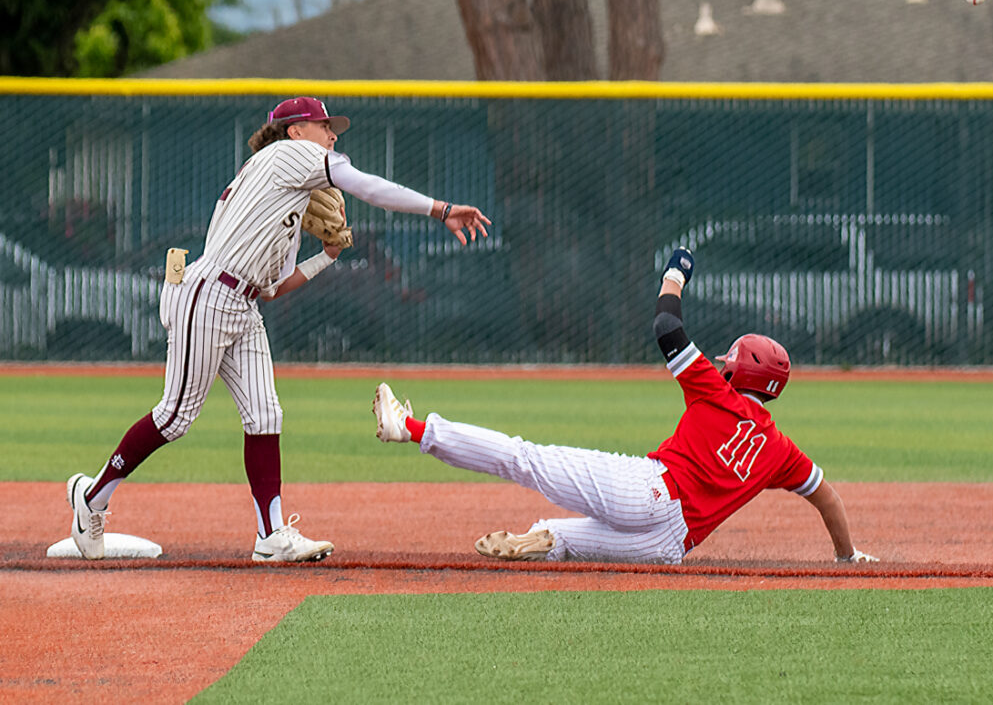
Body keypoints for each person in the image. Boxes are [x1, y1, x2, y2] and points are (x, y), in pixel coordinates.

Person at [67, 96, 491, 562]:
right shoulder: (287, 154)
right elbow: (366, 185)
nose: (332, 137)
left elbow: (271, 289)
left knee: (266, 417)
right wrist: (441, 208)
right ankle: (91, 500)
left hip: (242, 305)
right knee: (174, 417)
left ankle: (270, 536)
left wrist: (327, 257)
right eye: (324, 127)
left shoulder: (281, 200)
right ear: (295, 131)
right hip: (208, 296)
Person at [371, 246, 878, 565]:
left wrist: (676, 273)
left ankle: (412, 428)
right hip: (671, 545)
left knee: (524, 458)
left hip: (648, 490)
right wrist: (846, 554)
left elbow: (666, 327)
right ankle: (543, 537)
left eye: (731, 355)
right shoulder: (779, 449)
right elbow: (827, 496)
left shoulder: (715, 391)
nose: (722, 358)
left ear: (740, 370)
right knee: (561, 539)